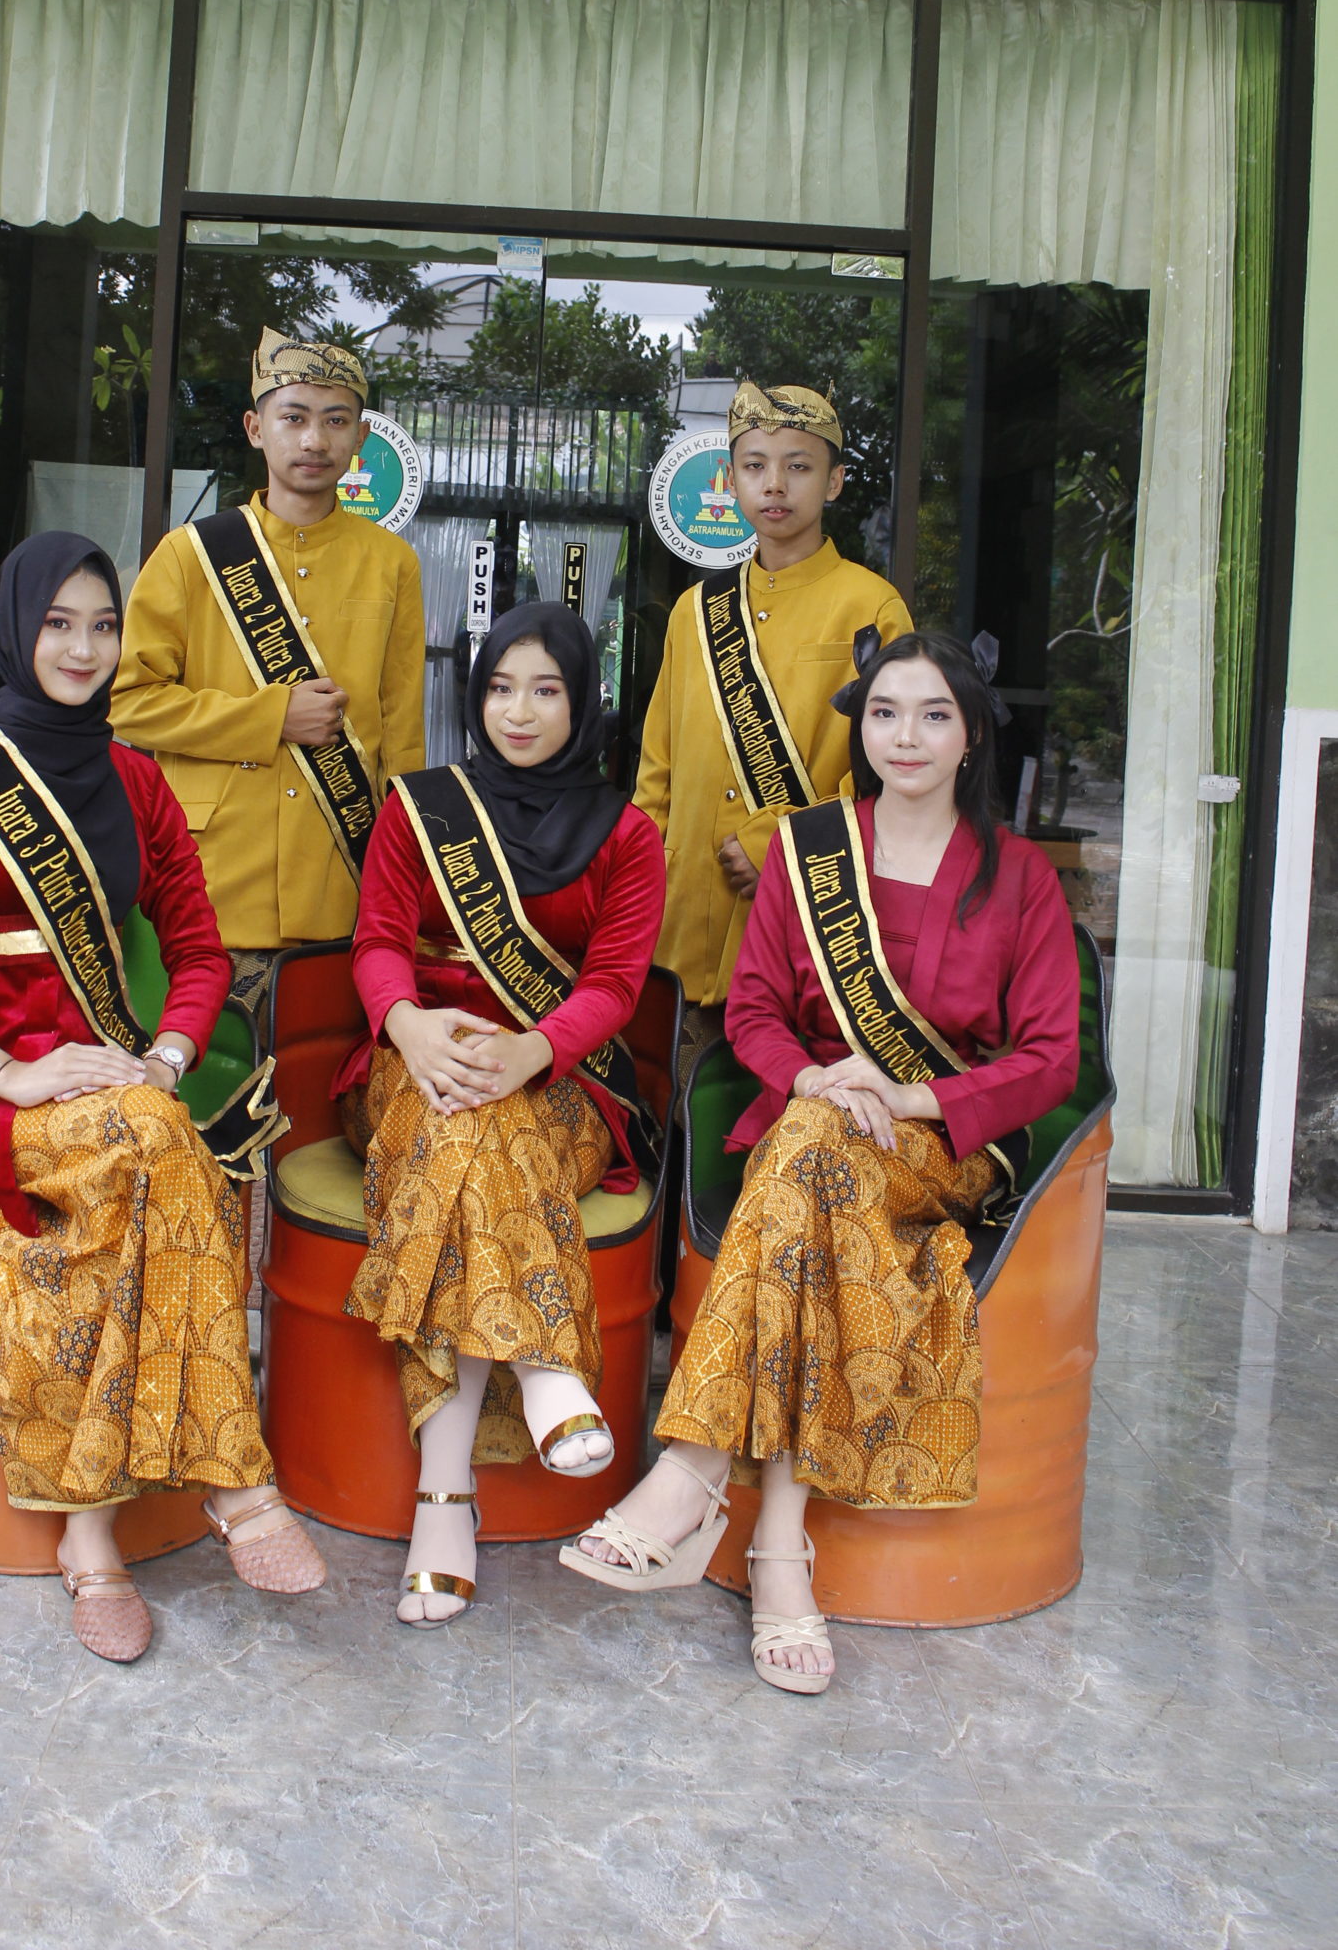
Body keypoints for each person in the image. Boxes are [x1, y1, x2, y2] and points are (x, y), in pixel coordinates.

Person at [564, 631, 1079, 1695]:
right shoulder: (811, 852)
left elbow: (1048, 1057)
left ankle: (698, 1473)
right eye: (886, 711)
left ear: (972, 732)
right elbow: (751, 1008)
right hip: (818, 1133)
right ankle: (778, 1551)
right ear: (862, 726)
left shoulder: (1019, 876)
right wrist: (815, 1081)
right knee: (814, 1164)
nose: (907, 735)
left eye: (934, 713)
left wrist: (907, 1093)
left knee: (813, 1162)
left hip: (940, 1144)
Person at [0, 533, 325, 1663]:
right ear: (15, 623)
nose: (84, 646)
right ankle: (237, 1485)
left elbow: (200, 949)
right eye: (59, 621)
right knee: (163, 1143)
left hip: (116, 1085)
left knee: (148, 1144)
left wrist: (163, 1052)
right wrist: (7, 1071)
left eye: (103, 624)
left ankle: (91, 1541)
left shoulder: (137, 781)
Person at [341, 602, 665, 1627]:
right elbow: (379, 939)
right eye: (498, 688)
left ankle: (445, 1501)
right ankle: (543, 1365)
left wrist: (532, 1047)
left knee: (482, 1134)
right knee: (465, 1120)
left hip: (557, 1076)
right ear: (474, 697)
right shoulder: (420, 806)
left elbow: (614, 983)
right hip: (414, 1063)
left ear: (584, 700)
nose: (518, 712)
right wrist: (409, 1024)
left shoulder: (627, 832)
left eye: (546, 689)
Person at [112, 328, 426, 1022]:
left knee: (316, 1100)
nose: (314, 439)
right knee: (208, 1102)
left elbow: (402, 734)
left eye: (335, 420)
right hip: (213, 880)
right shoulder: (190, 555)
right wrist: (269, 717)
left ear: (360, 436)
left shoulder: (391, 563)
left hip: (337, 876)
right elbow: (128, 702)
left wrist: (402, 871)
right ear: (256, 428)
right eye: (294, 417)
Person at [634, 382, 913, 1053]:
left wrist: (782, 850)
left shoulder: (872, 608)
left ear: (835, 482)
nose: (774, 484)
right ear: (729, 480)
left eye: (799, 464)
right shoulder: (694, 610)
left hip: (799, 916)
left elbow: (893, 777)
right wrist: (639, 882)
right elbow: (657, 769)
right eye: (755, 465)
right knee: (667, 1130)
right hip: (680, 919)